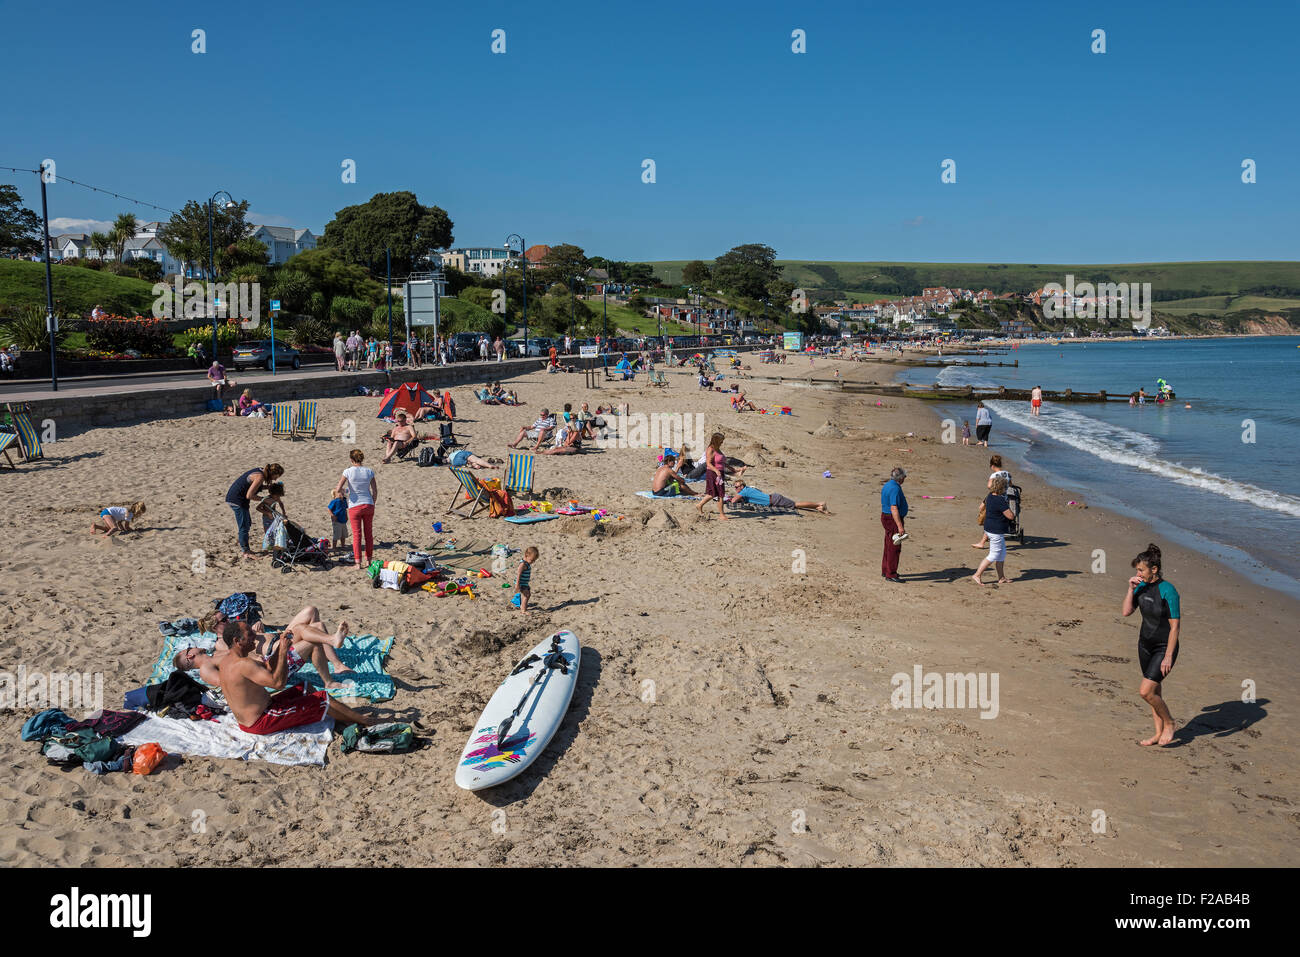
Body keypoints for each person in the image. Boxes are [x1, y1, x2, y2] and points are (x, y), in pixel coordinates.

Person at [217, 621, 374, 734]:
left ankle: (348, 718)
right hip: (260, 721)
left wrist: (280, 648)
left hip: (251, 717)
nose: (254, 635)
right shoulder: (244, 664)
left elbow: (266, 668)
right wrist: (283, 652)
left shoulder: (228, 660)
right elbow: (278, 683)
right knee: (322, 698)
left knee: (306, 688)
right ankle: (364, 720)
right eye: (249, 634)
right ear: (237, 641)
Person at [1121, 543, 1181, 747]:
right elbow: (1126, 612)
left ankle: (1170, 722)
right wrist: (1130, 589)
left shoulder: (1168, 590)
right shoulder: (1140, 587)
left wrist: (1168, 656)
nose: (1138, 573)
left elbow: (1175, 627)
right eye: (1137, 570)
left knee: (1145, 692)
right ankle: (1157, 733)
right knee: (1155, 691)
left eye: (1141, 570)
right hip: (1144, 645)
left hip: (1164, 647)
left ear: (1154, 570)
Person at [226, 463, 283, 559]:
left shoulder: (262, 471)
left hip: (239, 499)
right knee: (244, 525)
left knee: (247, 523)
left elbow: (254, 486)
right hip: (236, 500)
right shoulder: (260, 477)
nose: (275, 479)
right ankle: (246, 552)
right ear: (273, 473)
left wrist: (268, 487)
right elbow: (249, 495)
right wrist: (264, 499)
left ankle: (242, 541)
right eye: (276, 476)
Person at [333, 450, 377, 570]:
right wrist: (373, 502)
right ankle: (368, 560)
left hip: (355, 506)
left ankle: (358, 563)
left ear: (351, 460)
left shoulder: (348, 471)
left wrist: (345, 493)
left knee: (357, 535)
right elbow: (375, 491)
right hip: (368, 504)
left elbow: (338, 488)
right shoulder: (369, 471)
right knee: (369, 534)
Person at [971, 475, 1015, 586]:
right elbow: (1010, 516)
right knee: (993, 555)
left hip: (989, 528)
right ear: (1002, 488)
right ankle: (977, 574)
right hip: (995, 531)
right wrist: (1011, 512)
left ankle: (1001, 578)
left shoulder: (990, 496)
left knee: (1001, 554)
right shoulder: (1000, 500)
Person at [972, 455, 1013, 550]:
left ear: (992, 466)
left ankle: (983, 542)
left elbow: (990, 487)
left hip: (995, 498)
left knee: (988, 516)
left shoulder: (994, 475)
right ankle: (982, 542)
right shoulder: (1007, 474)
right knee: (994, 518)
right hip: (1005, 498)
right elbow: (1011, 485)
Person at [880, 467, 908, 583]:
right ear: (900, 478)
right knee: (894, 547)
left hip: (886, 517)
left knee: (888, 543)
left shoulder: (887, 485)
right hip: (892, 519)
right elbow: (894, 507)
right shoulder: (895, 489)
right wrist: (900, 526)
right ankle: (891, 573)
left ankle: (886, 569)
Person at [728, 481, 826, 512]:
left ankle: (818, 504)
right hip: (774, 498)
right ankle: (818, 506)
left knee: (796, 505)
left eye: (736, 487)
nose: (735, 488)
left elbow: (733, 501)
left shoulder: (744, 491)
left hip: (775, 500)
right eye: (734, 487)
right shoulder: (748, 489)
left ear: (741, 486)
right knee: (796, 505)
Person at [695, 432, 730, 520]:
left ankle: (700, 505)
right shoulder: (710, 449)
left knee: (718, 494)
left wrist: (734, 470)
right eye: (721, 441)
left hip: (719, 473)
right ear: (716, 440)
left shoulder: (718, 449)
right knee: (715, 494)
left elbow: (722, 462)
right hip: (712, 473)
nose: (722, 442)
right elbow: (708, 463)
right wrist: (716, 470)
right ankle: (721, 514)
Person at [512, 546, 538, 613]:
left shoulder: (526, 563)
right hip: (521, 583)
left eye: (534, 560)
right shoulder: (523, 564)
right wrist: (517, 584)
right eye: (532, 560)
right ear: (526, 555)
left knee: (526, 595)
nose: (533, 562)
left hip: (524, 582)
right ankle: (523, 610)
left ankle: (521, 605)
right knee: (526, 595)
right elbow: (518, 574)